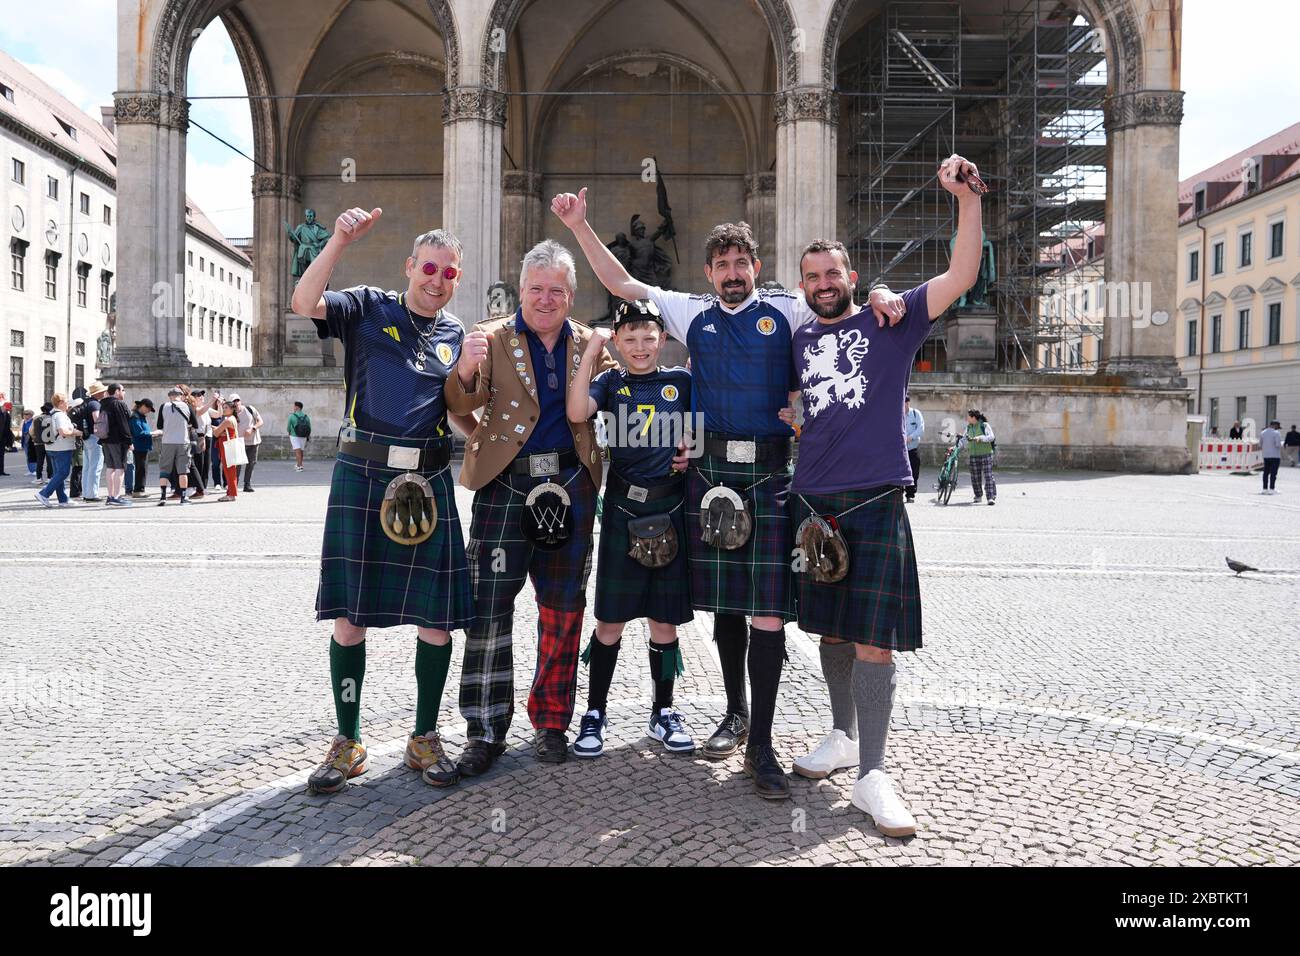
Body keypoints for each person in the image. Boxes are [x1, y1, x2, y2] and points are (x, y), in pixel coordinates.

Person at [552, 186, 905, 798]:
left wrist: (878, 292)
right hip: (711, 475)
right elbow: (624, 282)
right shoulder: (692, 314)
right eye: (721, 265)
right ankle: (734, 714)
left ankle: (762, 745)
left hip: (771, 475)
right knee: (727, 606)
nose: (732, 274)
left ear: (756, 268)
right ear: (709, 272)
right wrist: (582, 227)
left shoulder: (787, 310)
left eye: (741, 264)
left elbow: (835, 304)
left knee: (768, 609)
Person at [782, 154, 983, 837]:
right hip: (812, 505)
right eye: (812, 277)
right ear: (802, 286)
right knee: (831, 631)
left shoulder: (890, 323)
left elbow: (961, 275)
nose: (822, 284)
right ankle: (840, 736)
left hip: (872, 502)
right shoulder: (799, 334)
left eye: (833, 274)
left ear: (852, 278)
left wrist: (967, 199)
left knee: (874, 643)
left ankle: (872, 773)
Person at [291, 207, 476, 795]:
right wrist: (340, 240)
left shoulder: (455, 335)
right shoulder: (368, 307)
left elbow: (455, 414)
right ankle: (348, 740)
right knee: (349, 618)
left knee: (437, 619)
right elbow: (303, 302)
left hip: (428, 482)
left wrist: (507, 443)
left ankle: (424, 736)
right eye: (429, 267)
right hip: (363, 476)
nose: (437, 279)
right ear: (409, 266)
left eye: (449, 273)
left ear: (456, 280)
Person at [445, 238, 616, 772]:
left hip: (571, 485)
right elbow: (456, 404)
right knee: (489, 607)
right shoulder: (490, 339)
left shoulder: (591, 344)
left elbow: (626, 399)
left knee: (563, 608)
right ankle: (485, 729)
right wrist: (467, 373)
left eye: (557, 290)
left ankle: (551, 721)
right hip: (505, 488)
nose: (546, 299)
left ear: (571, 294)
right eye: (537, 289)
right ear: (521, 290)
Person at [567, 298, 695, 758]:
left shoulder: (681, 382)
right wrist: (589, 353)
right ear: (617, 343)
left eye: (649, 338)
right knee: (610, 622)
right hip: (624, 511)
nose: (640, 347)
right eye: (630, 339)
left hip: (669, 510)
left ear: (663, 340)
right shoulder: (610, 382)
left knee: (664, 622)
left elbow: (698, 432)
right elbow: (578, 411)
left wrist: (689, 450)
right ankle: (595, 712)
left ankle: (663, 711)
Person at [156, 387, 201, 506]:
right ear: (181, 396)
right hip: (183, 442)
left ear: (169, 396)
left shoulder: (163, 406)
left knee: (164, 470)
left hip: (167, 442)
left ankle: (163, 497)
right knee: (183, 471)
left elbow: (159, 425)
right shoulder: (187, 407)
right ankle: (183, 497)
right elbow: (195, 424)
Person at [34, 393, 81, 507]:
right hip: (62, 447)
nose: (67, 404)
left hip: (51, 447)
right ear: (60, 403)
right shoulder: (60, 415)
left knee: (57, 474)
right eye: (66, 402)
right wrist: (77, 432)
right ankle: (44, 494)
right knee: (63, 473)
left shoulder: (52, 413)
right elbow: (63, 432)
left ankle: (63, 499)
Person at [99, 383, 134, 506]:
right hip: (118, 440)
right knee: (120, 468)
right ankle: (116, 496)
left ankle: (110, 496)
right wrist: (129, 441)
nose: (124, 393)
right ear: (117, 391)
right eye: (123, 390)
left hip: (105, 439)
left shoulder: (103, 404)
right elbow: (124, 424)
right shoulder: (118, 404)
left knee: (110, 467)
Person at [79, 381, 107, 502]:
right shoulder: (95, 404)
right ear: (99, 393)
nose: (105, 392)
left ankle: (86, 492)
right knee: (96, 467)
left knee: (87, 467)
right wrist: (104, 432)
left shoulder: (86, 403)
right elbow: (97, 420)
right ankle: (92, 494)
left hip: (86, 437)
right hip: (95, 437)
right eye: (103, 391)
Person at [231, 394, 264, 492]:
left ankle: (247, 484)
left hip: (254, 441)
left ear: (240, 401)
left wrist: (253, 428)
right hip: (239, 442)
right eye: (233, 401)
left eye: (237, 400)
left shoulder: (250, 409)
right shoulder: (231, 414)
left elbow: (260, 421)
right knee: (237, 465)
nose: (236, 403)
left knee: (251, 463)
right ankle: (234, 485)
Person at [211, 400, 241, 502]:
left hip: (227, 446)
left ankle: (231, 494)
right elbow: (221, 430)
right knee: (230, 470)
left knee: (229, 471)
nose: (224, 409)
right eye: (223, 407)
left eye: (226, 408)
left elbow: (216, 433)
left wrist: (213, 428)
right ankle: (230, 493)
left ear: (232, 409)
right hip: (229, 445)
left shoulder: (227, 420)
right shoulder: (232, 418)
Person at [966, 409, 996, 504]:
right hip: (974, 455)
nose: (967, 418)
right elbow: (964, 440)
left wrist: (981, 438)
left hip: (986, 453)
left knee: (988, 476)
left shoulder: (984, 425)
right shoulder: (968, 428)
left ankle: (990, 497)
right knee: (975, 477)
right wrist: (956, 447)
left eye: (968, 416)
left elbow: (991, 437)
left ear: (973, 417)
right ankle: (978, 496)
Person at [130, 399, 156, 497]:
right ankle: (138, 490)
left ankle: (141, 488)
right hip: (139, 446)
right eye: (148, 409)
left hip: (143, 446)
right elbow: (139, 432)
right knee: (140, 469)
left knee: (143, 469)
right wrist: (153, 433)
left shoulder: (140, 416)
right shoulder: (135, 417)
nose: (149, 411)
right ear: (143, 406)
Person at [904, 394, 925, 503]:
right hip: (901, 451)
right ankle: (898, 493)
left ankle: (910, 494)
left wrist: (910, 437)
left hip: (913, 448)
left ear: (907, 403)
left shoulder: (916, 414)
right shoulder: (897, 414)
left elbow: (921, 428)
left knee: (914, 472)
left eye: (904, 404)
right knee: (900, 472)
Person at [287, 401, 311, 472]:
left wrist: (289, 433)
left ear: (297, 407)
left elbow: (288, 427)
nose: (293, 408)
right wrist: (307, 436)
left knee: (297, 451)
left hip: (294, 435)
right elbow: (309, 427)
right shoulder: (306, 416)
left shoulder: (292, 416)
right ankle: (299, 464)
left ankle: (300, 466)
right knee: (301, 451)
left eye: (294, 406)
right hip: (304, 436)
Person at [1260, 420, 1281, 495]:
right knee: (1273, 473)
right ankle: (1272, 488)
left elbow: (1260, 444)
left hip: (1266, 455)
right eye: (1277, 426)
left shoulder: (1262, 433)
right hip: (1275, 455)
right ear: (1275, 425)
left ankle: (1264, 489)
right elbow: (1278, 444)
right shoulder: (1276, 433)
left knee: (1266, 473)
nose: (1278, 428)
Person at [0, 400, 12, 476]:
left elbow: (7, 428)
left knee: (1, 455)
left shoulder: (7, 415)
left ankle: (1, 471)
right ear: (3, 406)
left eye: (8, 409)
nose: (7, 410)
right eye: (7, 409)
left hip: (2, 438)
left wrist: (8, 440)